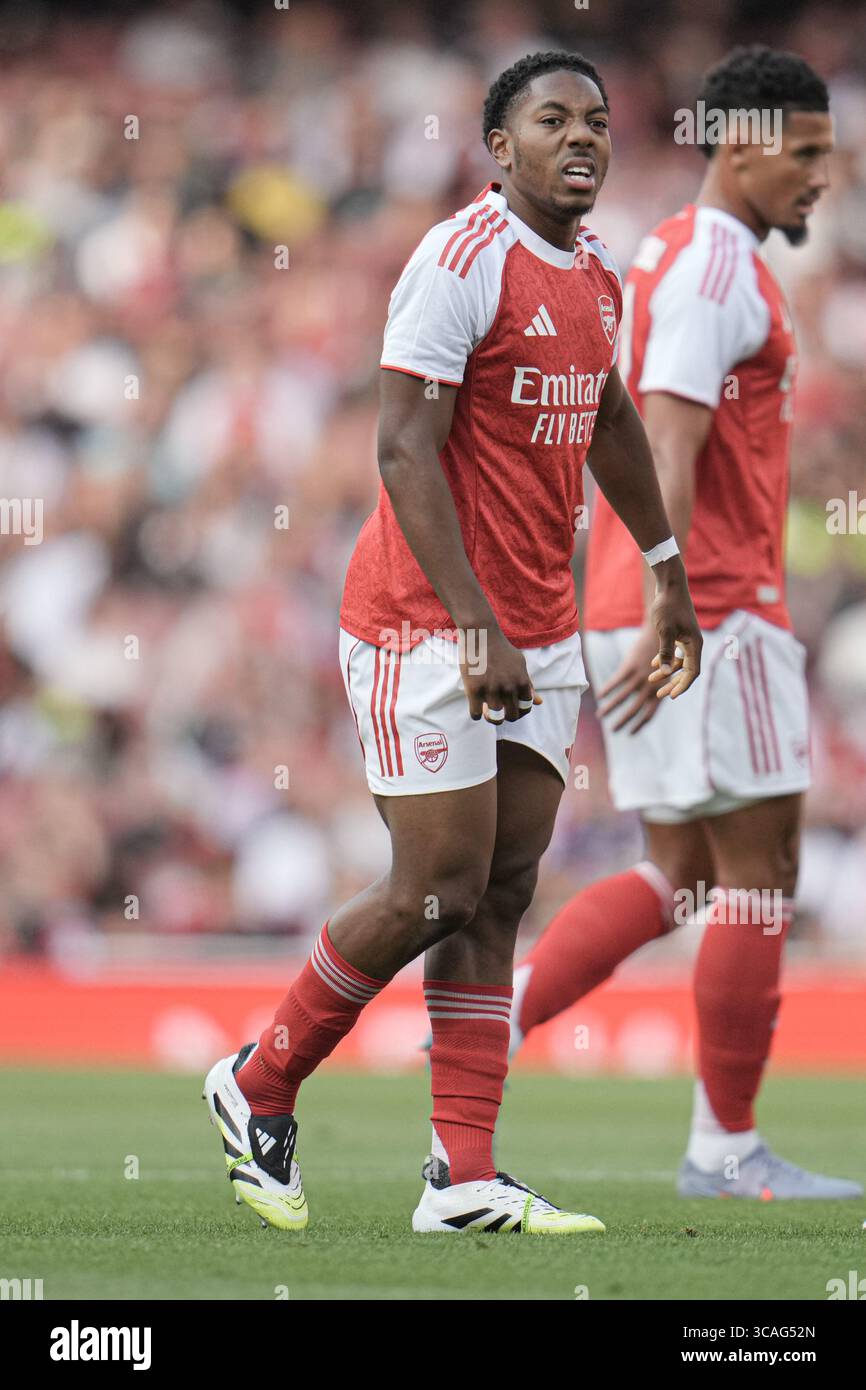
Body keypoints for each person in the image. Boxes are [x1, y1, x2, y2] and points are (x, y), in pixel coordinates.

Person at [204, 50, 701, 1235]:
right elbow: (399, 451)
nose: (580, 138)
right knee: (434, 888)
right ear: (499, 145)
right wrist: (473, 622)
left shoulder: (593, 274)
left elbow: (610, 418)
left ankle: (462, 1177)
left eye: (593, 121)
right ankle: (258, 1079)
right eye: (550, 121)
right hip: (425, 625)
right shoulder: (457, 259)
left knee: (498, 895)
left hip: (539, 627)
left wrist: (666, 566)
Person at [511, 46, 862, 1201]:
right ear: (736, 142)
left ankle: (485, 1019)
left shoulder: (669, 249)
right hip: (707, 607)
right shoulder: (714, 268)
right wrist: (678, 603)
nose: (824, 173)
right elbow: (664, 432)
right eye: (803, 151)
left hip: (640, 597)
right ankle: (724, 1149)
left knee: (680, 871)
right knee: (760, 871)